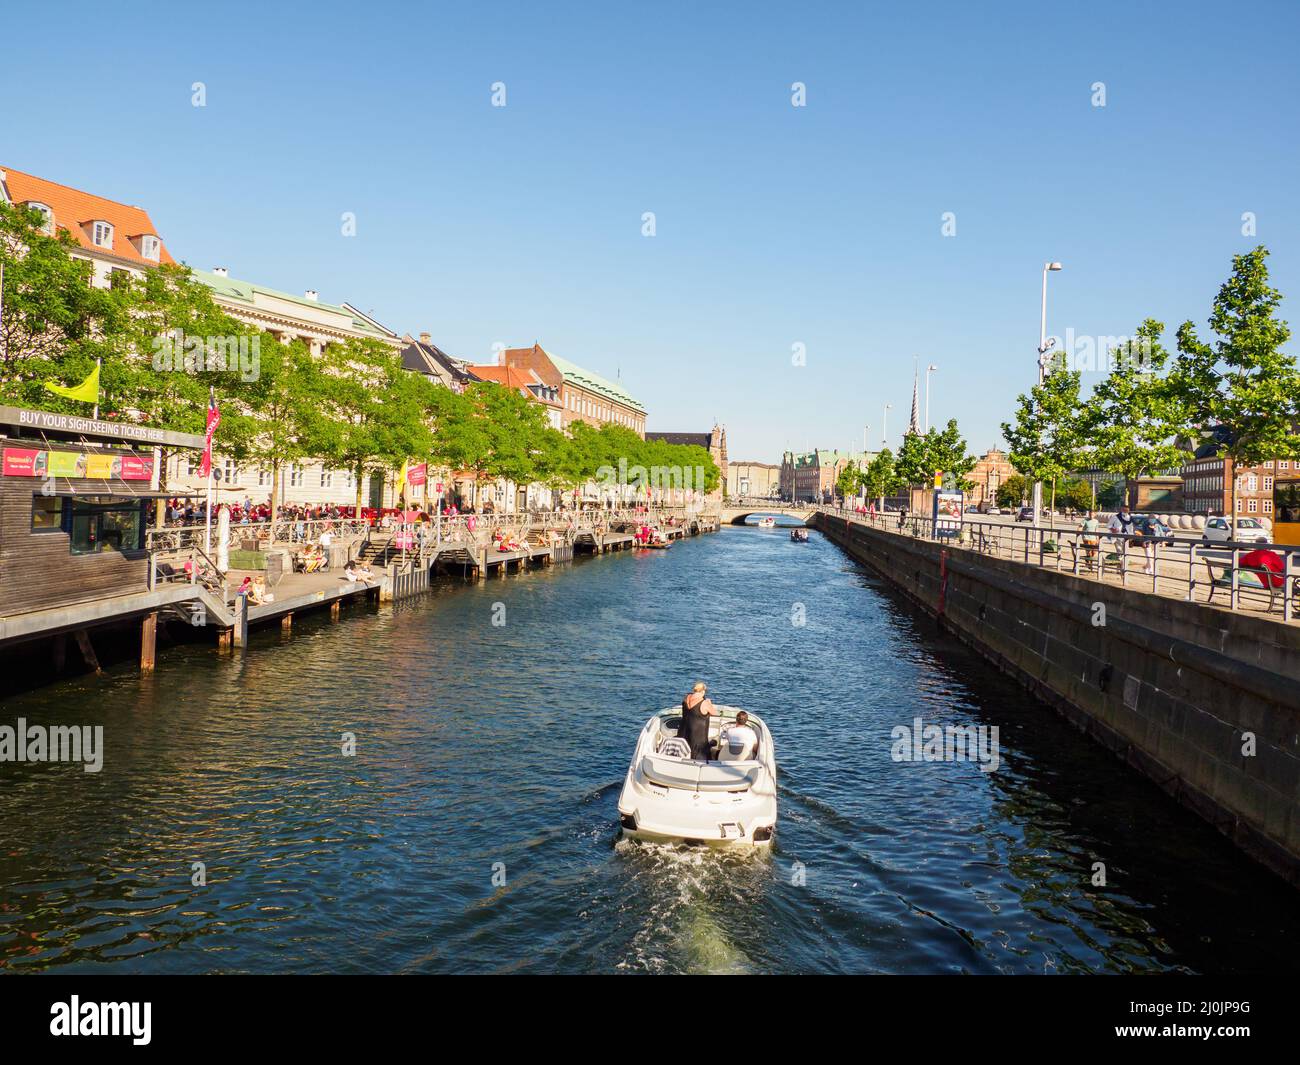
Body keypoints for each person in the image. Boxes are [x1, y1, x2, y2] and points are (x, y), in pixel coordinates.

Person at [677, 682, 715, 761]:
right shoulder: (704, 703)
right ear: (703, 691)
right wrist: (709, 702)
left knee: (685, 752)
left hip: (683, 732)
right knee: (699, 758)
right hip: (697, 737)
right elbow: (713, 713)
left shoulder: (686, 698)